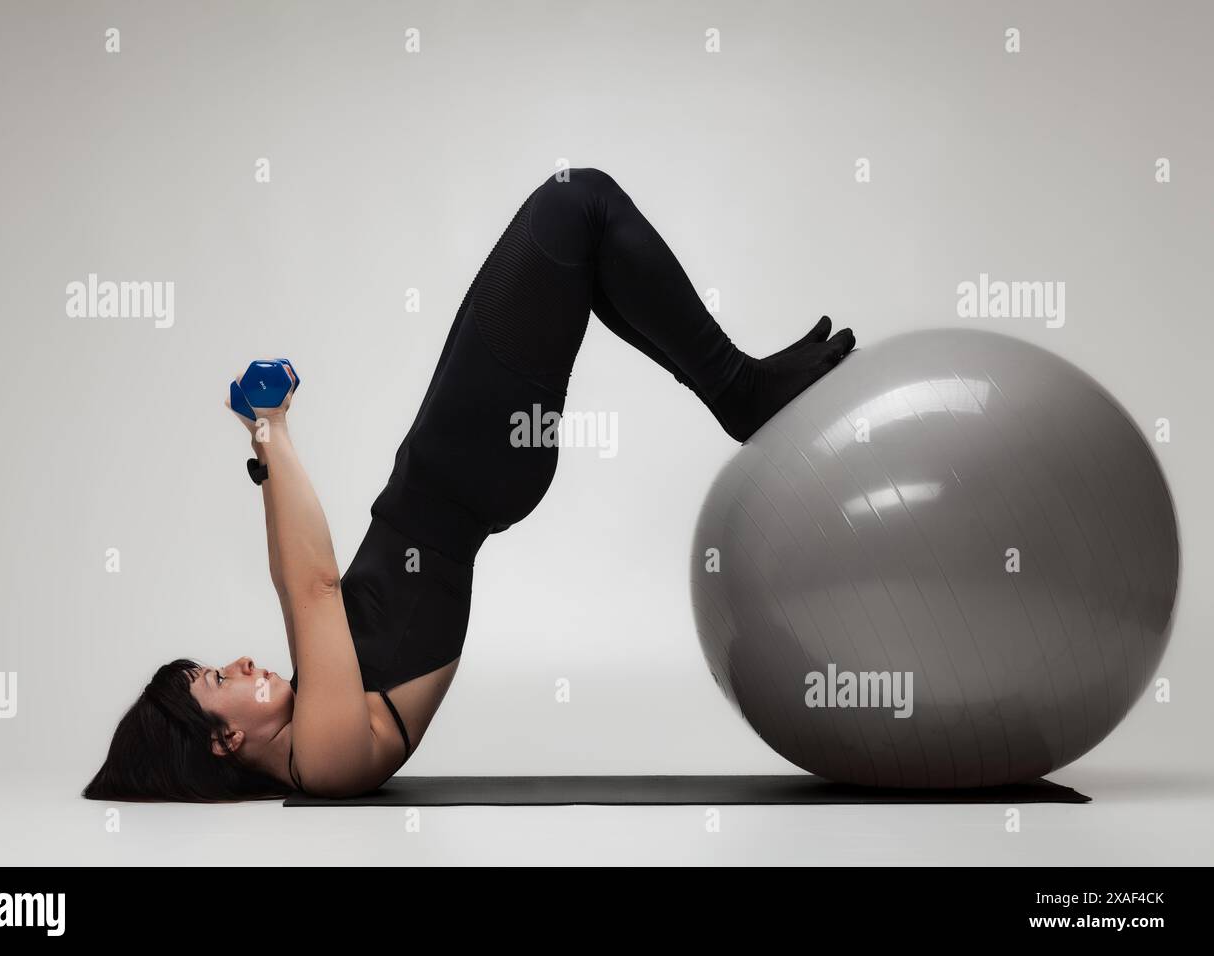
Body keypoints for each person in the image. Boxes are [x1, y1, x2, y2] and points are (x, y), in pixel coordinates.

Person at [82, 168, 855, 802]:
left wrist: (262, 445)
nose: (242, 664)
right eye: (219, 679)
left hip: (457, 460)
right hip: (470, 463)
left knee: (582, 244)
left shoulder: (314, 719)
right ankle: (736, 390)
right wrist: (272, 431)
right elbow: (312, 587)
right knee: (574, 201)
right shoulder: (322, 760)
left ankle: (736, 389)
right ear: (223, 740)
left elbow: (296, 585)